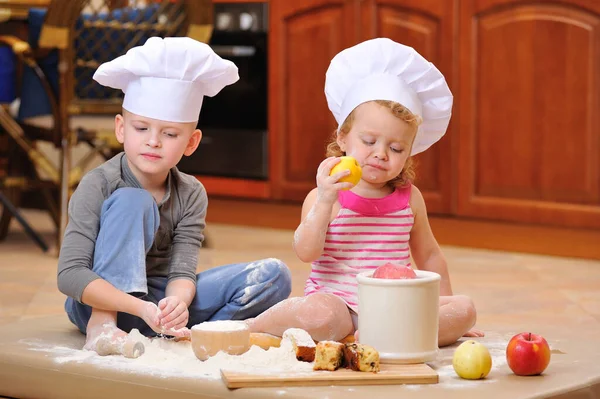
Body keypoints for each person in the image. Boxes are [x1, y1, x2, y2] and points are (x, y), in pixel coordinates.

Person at [57, 37, 292, 354]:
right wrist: (138, 308)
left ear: (191, 142)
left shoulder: (191, 192)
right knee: (133, 200)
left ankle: (184, 334)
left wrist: (176, 302)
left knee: (274, 276)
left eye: (169, 134)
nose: (153, 142)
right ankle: (105, 328)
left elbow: (182, 270)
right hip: (98, 304)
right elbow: (70, 275)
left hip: (155, 303)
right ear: (121, 129)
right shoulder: (99, 183)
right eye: (141, 128)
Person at [247, 38, 483, 347]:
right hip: (338, 306)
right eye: (369, 141)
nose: (381, 154)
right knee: (321, 315)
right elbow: (306, 252)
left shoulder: (410, 199)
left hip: (396, 307)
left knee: (465, 308)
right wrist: (325, 201)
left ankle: (380, 335)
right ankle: (250, 324)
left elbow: (429, 254)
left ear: (410, 151)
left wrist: (445, 311)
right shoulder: (327, 195)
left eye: (396, 147)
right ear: (343, 138)